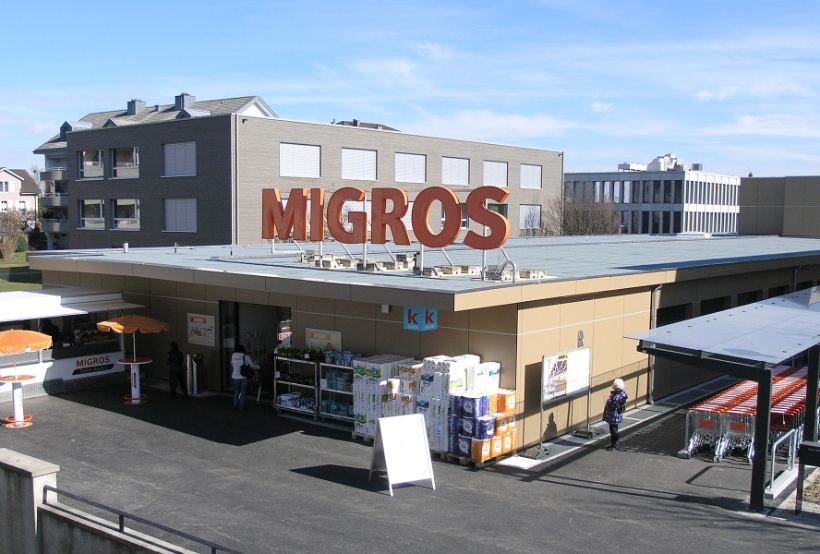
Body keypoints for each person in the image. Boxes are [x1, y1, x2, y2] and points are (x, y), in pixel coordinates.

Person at [231, 344, 259, 411]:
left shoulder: (233, 356)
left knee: (236, 391)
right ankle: (241, 407)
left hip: (235, 376)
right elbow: (252, 365)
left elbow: (232, 364)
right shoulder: (245, 356)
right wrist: (258, 367)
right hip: (243, 377)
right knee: (243, 392)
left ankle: (235, 405)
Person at [602, 378, 628, 451]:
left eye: (614, 384)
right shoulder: (622, 394)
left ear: (616, 386)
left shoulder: (616, 396)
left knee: (613, 430)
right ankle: (614, 444)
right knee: (614, 429)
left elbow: (613, 406)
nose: (612, 385)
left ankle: (615, 445)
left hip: (614, 416)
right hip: (617, 415)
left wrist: (609, 400)